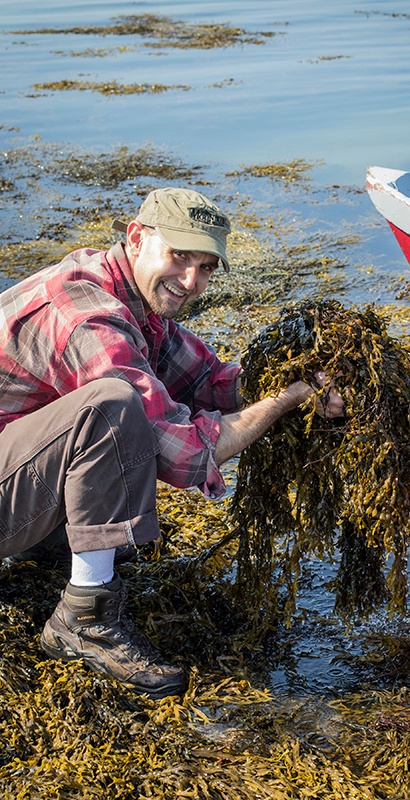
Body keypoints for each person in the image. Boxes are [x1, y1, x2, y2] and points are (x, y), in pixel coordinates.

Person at [0, 187, 344, 699]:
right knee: (112, 408)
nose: (190, 281)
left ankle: (43, 541)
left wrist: (306, 376)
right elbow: (180, 451)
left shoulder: (131, 296)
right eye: (179, 256)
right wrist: (283, 400)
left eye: (206, 266)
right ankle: (84, 615)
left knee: (114, 404)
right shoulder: (87, 313)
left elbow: (209, 378)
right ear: (137, 238)